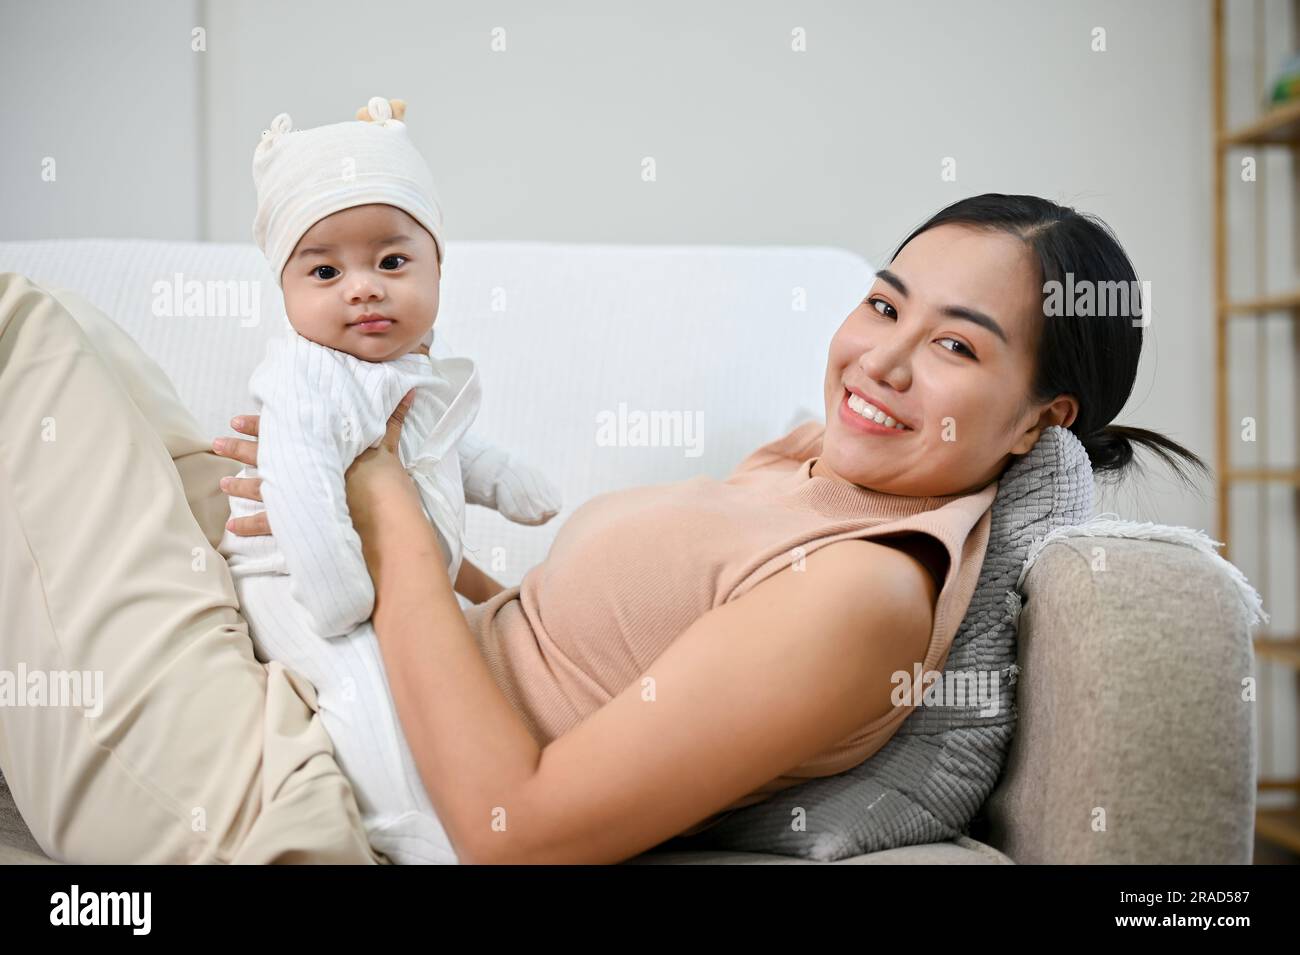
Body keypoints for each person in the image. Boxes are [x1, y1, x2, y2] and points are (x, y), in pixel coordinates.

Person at [212, 194, 1209, 864]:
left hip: (341, 754)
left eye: (953, 344)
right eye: (881, 304)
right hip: (334, 665)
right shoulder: (811, 469)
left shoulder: (867, 589)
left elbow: (515, 829)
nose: (880, 362)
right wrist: (368, 523)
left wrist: (387, 528)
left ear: (1041, 418)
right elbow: (569, 646)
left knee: (50, 343)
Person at [222, 94, 560, 864]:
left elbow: (437, 446)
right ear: (285, 290)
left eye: (392, 260)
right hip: (304, 582)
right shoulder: (307, 382)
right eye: (325, 269)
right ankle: (404, 827)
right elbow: (304, 491)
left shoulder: (408, 372)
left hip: (390, 584)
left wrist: (501, 476)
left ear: (439, 266)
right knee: (366, 697)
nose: (363, 287)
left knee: (439, 692)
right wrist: (347, 600)